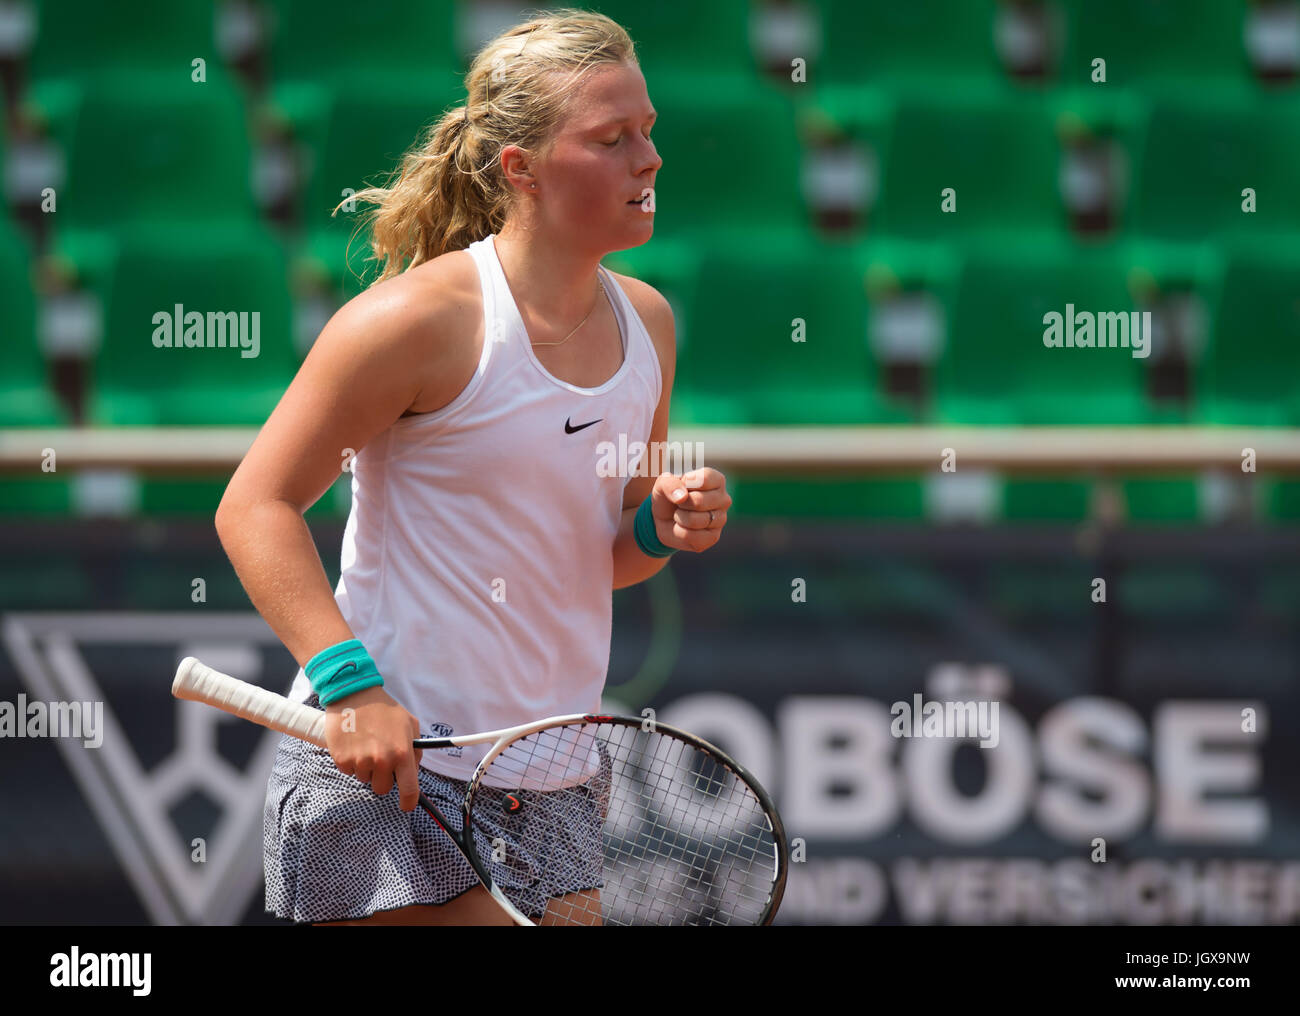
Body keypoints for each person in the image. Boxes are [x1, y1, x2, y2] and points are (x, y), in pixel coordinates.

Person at [215, 8, 731, 926]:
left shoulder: (649, 322)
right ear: (520, 169)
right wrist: (351, 688)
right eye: (611, 139)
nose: (648, 160)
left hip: (555, 780)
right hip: (386, 778)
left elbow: (611, 554)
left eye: (647, 132)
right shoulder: (414, 323)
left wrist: (660, 520)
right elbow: (255, 506)